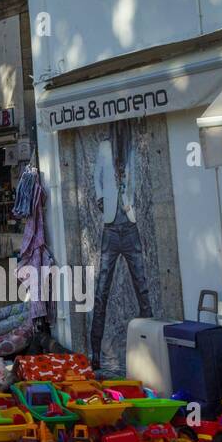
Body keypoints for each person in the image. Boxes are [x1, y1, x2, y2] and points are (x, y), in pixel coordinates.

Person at [89, 119, 153, 370]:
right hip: (110, 227)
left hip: (129, 224)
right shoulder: (104, 147)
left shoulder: (132, 150)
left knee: (142, 287)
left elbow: (135, 181)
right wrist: (101, 198)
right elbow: (97, 178)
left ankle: (151, 348)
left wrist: (128, 202)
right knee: (102, 290)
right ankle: (95, 353)